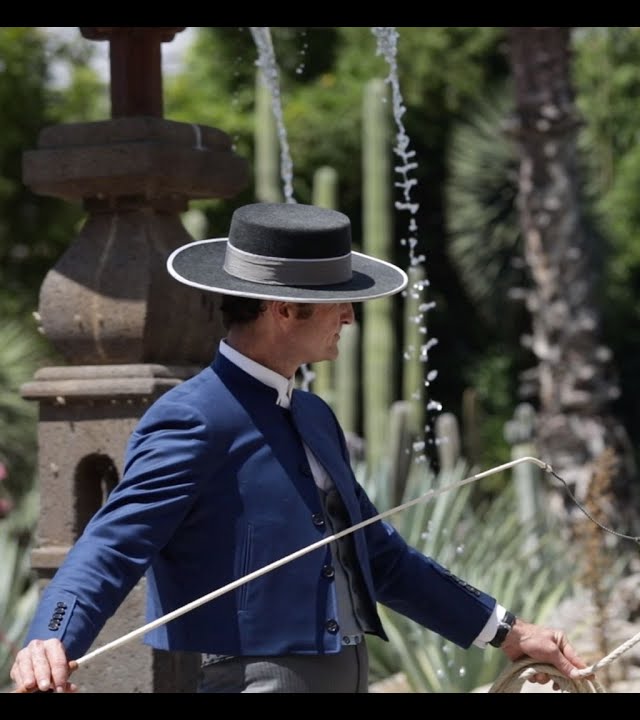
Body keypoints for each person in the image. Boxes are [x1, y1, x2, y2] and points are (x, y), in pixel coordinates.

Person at [9, 202, 588, 693]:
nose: (350, 318)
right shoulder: (192, 417)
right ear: (284, 309)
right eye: (339, 301)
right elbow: (112, 544)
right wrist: (51, 637)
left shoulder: (313, 415)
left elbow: (380, 556)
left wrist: (510, 632)